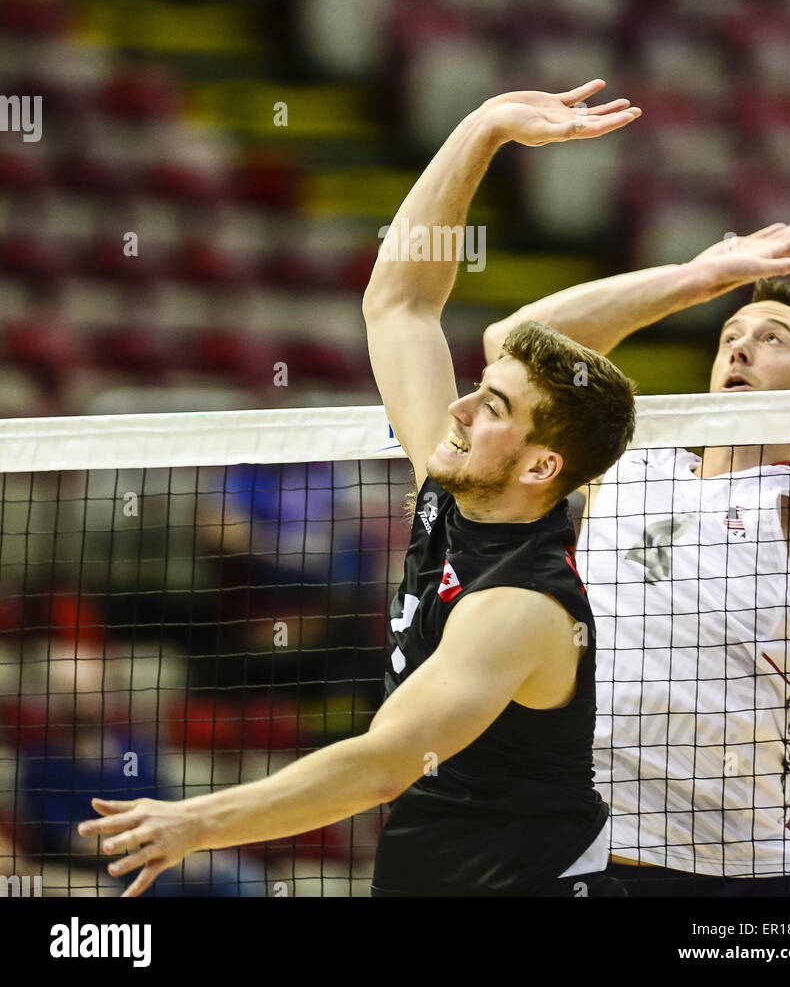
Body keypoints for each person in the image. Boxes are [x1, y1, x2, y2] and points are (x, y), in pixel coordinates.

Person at [79, 80, 641, 898]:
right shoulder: (453, 490)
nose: (455, 404)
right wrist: (480, 128)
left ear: (538, 466)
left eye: (490, 405)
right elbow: (402, 302)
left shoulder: (520, 605)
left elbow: (382, 763)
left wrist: (194, 823)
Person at [483, 207, 790, 897]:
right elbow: (513, 349)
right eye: (729, 336)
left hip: (729, 879)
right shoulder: (628, 465)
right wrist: (695, 279)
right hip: (576, 857)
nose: (739, 350)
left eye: (771, 339)